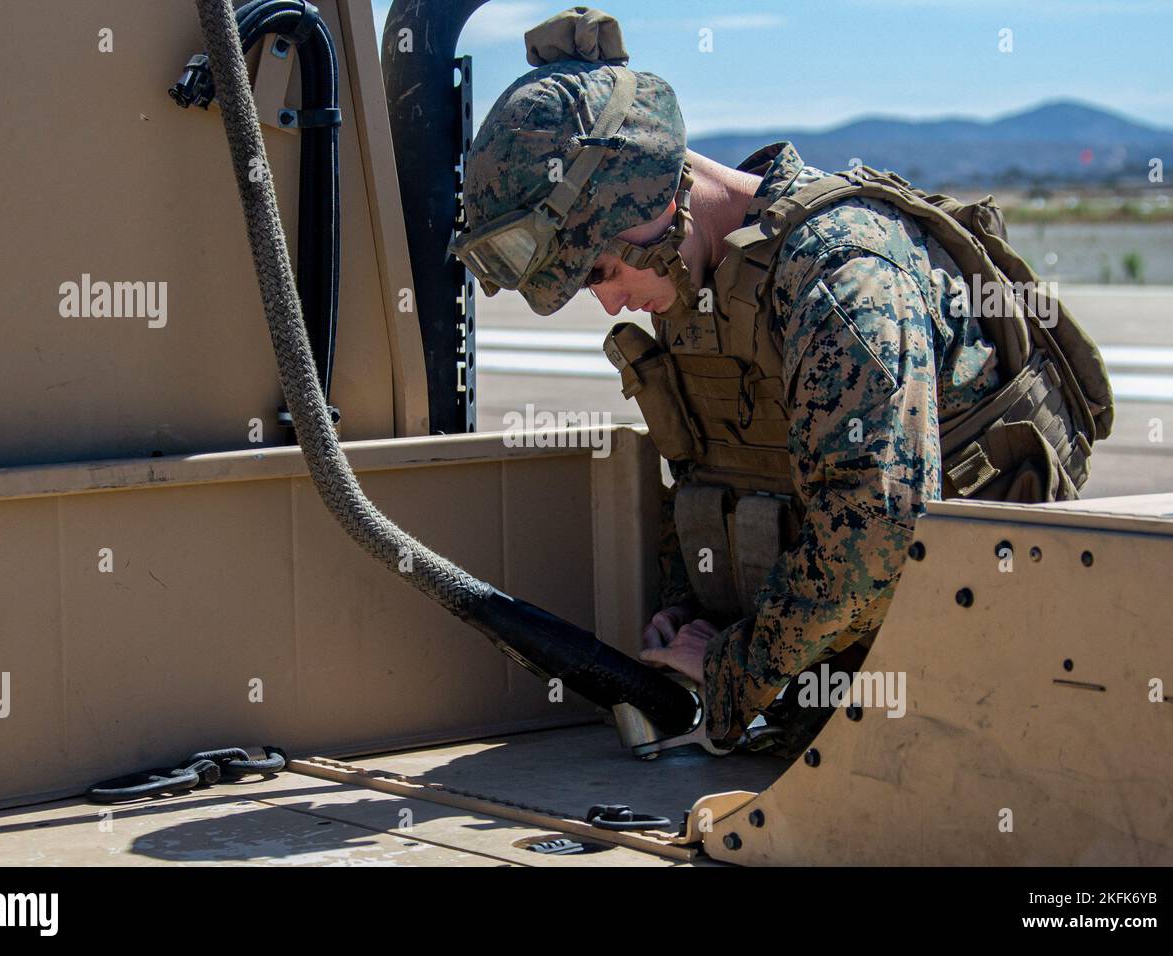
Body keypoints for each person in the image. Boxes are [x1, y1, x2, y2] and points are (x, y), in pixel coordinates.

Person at [450, 8, 1108, 749]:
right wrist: (688, 610)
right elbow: (722, 468)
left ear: (654, 205)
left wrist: (732, 669)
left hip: (971, 695)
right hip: (833, 695)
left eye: (601, 270)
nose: (607, 300)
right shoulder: (699, 280)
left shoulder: (841, 276)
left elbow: (878, 535)